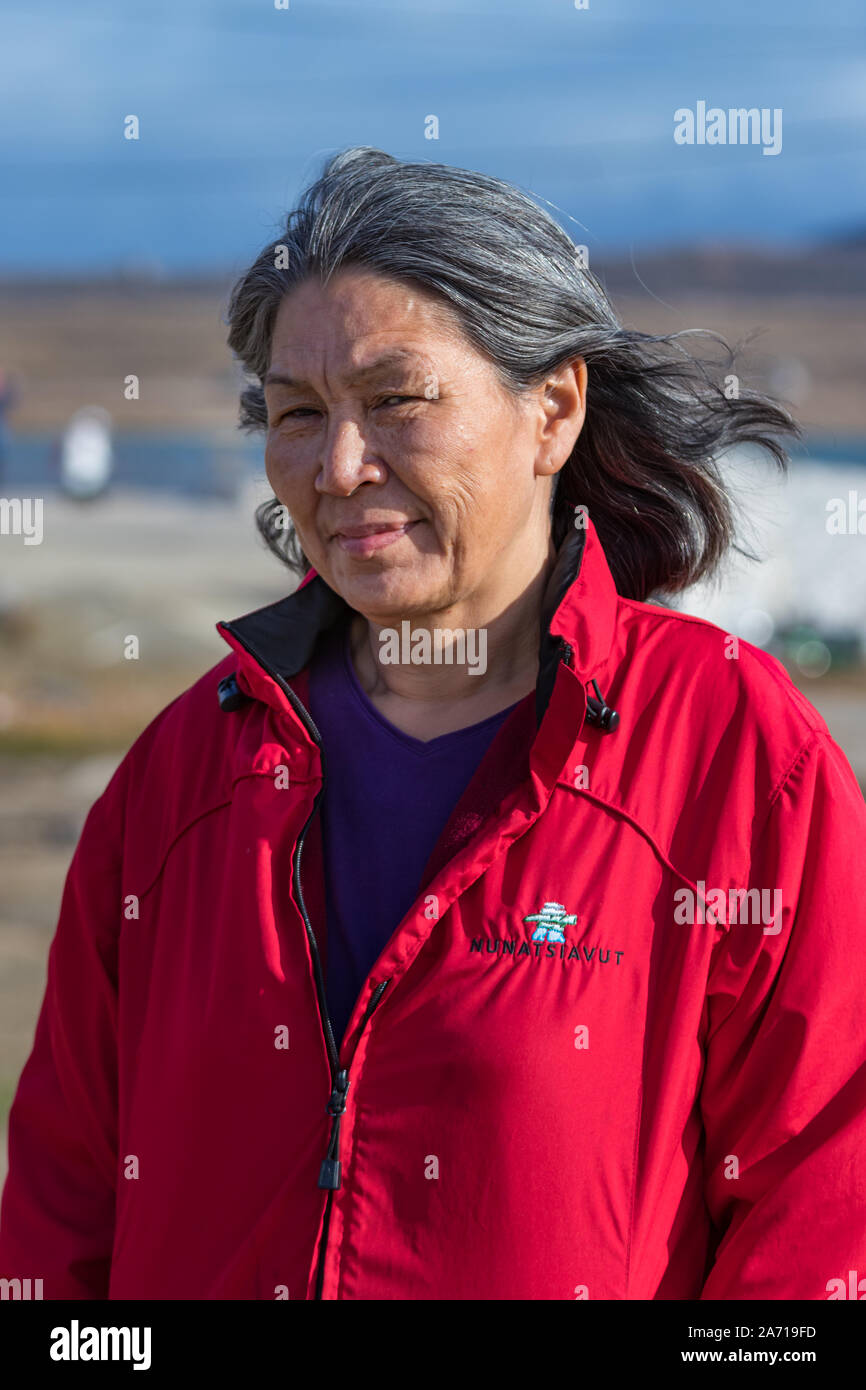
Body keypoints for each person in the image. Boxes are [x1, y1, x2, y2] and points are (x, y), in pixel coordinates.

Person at [1, 147, 864, 1301]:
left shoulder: (729, 752)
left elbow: (820, 1217)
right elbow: (61, 1210)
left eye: (396, 400)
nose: (338, 465)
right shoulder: (182, 771)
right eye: (297, 412)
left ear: (551, 408)